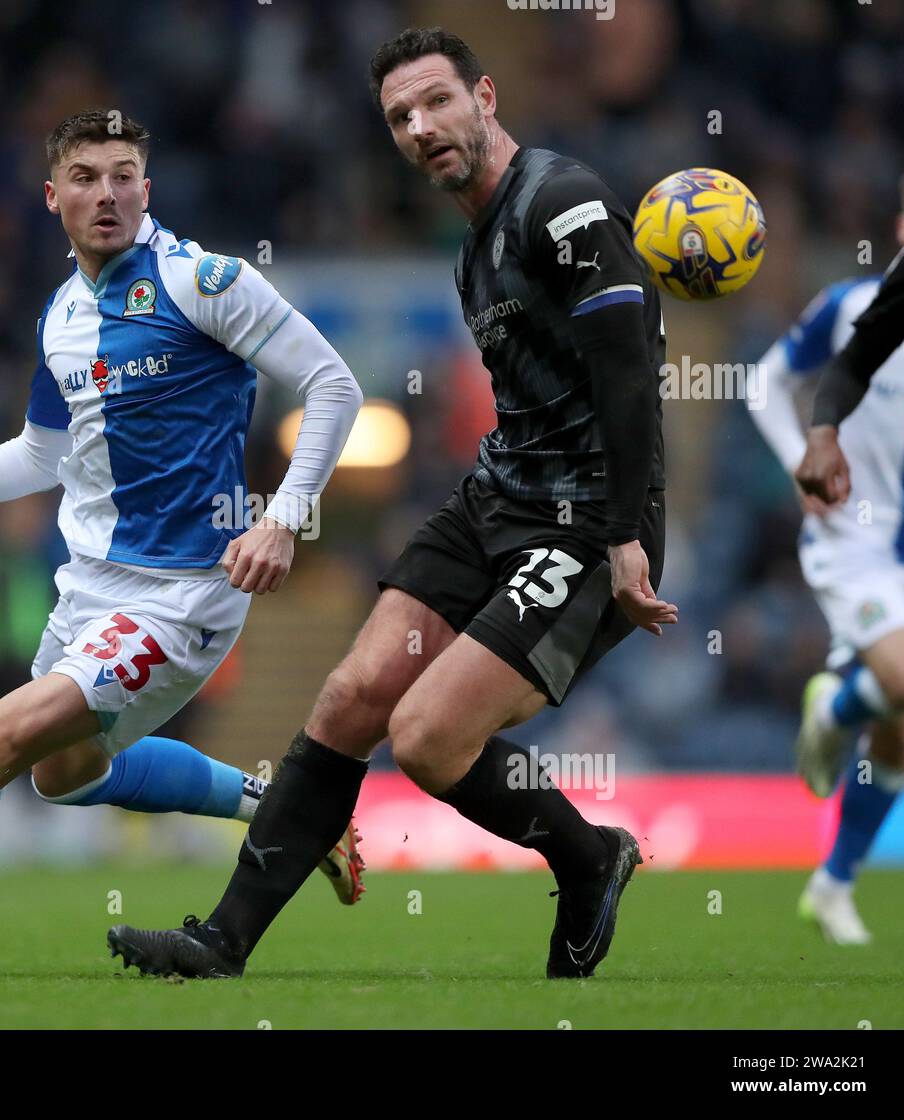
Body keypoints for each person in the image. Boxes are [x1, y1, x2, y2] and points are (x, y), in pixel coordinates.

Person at [107, 26, 674, 981]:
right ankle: (221, 942)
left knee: (425, 738)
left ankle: (587, 856)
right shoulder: (471, 253)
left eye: (437, 102)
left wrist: (622, 536)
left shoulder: (562, 202)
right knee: (350, 696)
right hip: (499, 499)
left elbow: (627, 371)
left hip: (587, 521)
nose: (420, 127)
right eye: (400, 118)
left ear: (485, 97)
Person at [0, 108, 364, 976]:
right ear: (53, 196)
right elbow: (39, 457)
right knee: (64, 775)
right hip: (88, 589)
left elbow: (333, 384)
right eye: (86, 177)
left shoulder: (202, 280)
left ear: (146, 189)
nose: (108, 193)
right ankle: (277, 807)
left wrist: (280, 519)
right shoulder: (61, 317)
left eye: (124, 174)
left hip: (182, 597)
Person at [779, 166, 904, 943]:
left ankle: (834, 883)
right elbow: (853, 358)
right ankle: (833, 707)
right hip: (860, 534)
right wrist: (817, 437)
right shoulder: (866, 302)